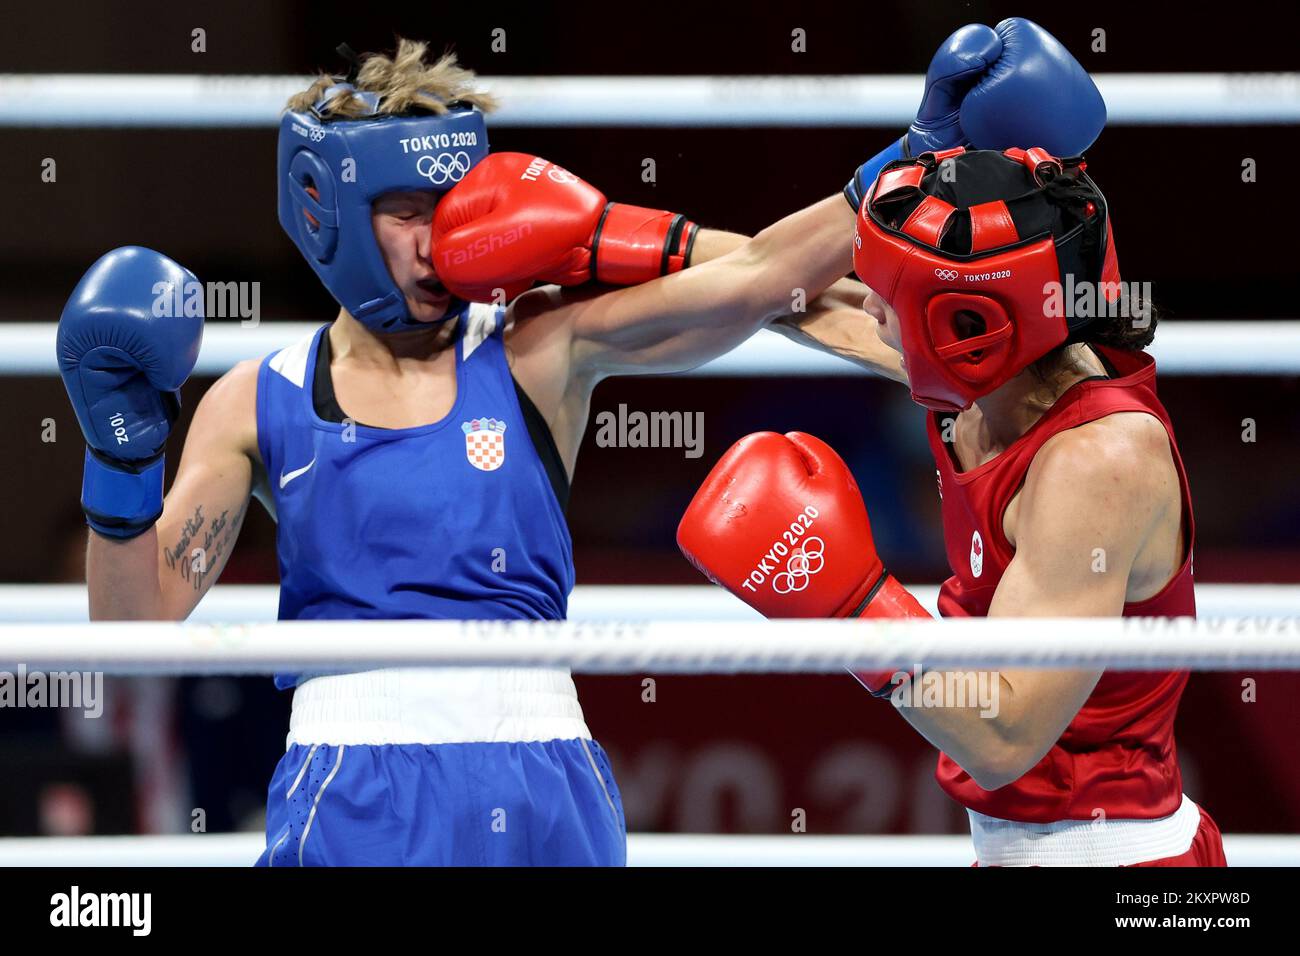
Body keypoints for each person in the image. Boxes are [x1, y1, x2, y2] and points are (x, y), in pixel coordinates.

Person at [56, 23, 1103, 865]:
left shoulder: (534, 347)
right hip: (354, 778)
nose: (436, 244)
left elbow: (751, 283)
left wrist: (909, 159)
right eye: (403, 212)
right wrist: (119, 452)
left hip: (543, 770)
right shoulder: (258, 399)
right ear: (328, 210)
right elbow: (131, 625)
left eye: (449, 208)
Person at [678, 146, 1227, 866]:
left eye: (891, 294)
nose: (869, 305)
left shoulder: (1097, 462)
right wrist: (610, 238)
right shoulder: (981, 382)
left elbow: (1004, 736)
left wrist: (855, 607)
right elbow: (788, 289)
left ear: (966, 326)